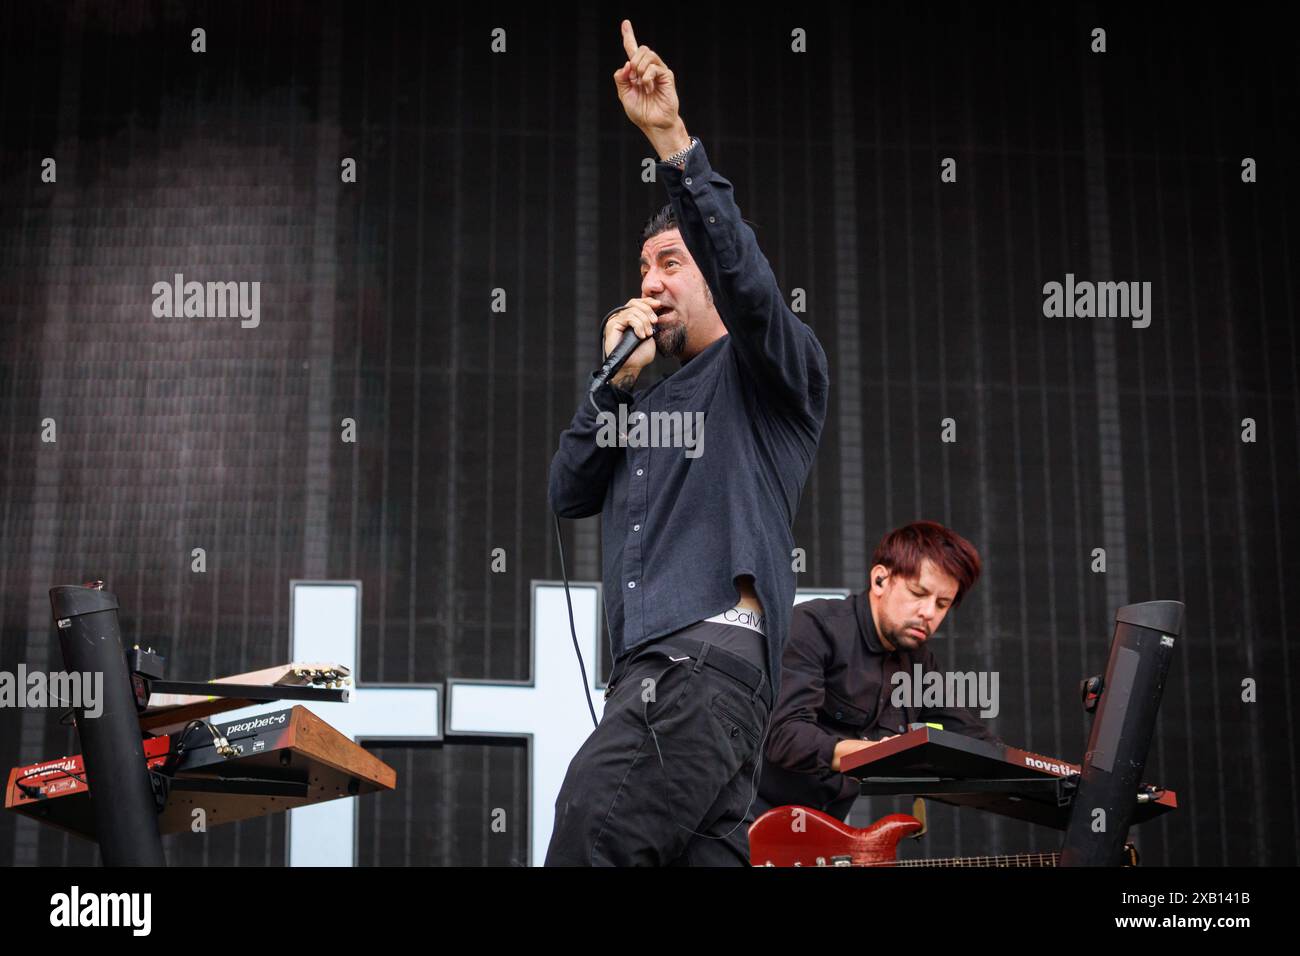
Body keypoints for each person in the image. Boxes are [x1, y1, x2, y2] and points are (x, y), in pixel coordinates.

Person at [544, 19, 828, 866]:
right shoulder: (647, 394)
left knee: (594, 832)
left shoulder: (769, 370)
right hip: (685, 687)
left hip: (697, 669)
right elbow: (568, 490)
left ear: (708, 269)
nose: (650, 284)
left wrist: (669, 137)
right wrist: (612, 384)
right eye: (641, 272)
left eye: (669, 263)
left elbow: (742, 271)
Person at [757, 521, 1002, 823]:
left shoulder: (919, 664)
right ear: (880, 580)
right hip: (751, 822)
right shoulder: (814, 626)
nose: (929, 613)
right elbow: (786, 736)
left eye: (942, 604)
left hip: (826, 831)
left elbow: (970, 737)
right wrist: (873, 753)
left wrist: (1052, 774)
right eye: (917, 593)